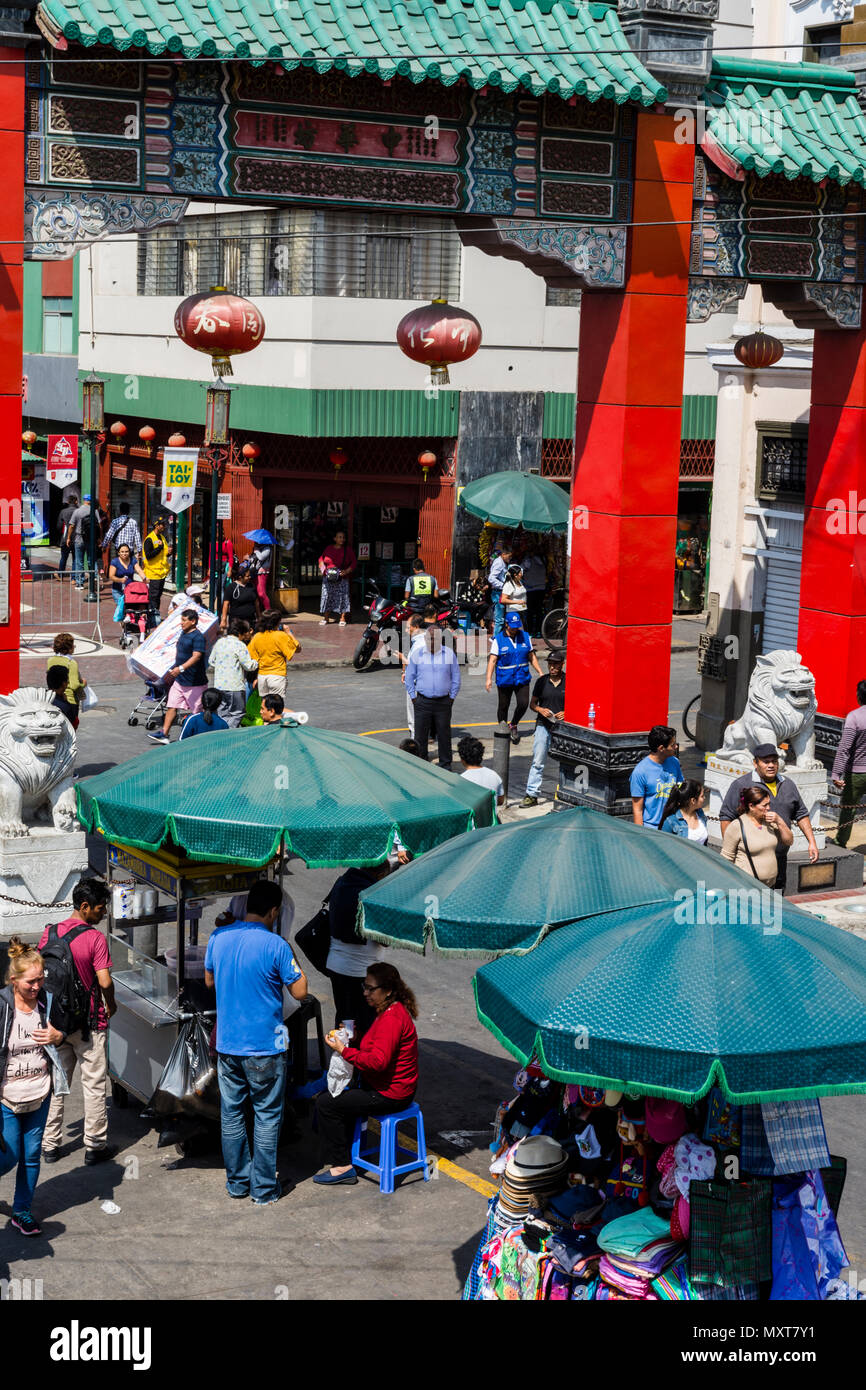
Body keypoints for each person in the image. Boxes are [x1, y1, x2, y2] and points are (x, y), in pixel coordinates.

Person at [204, 880, 307, 1204]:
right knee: (266, 1115)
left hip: (228, 1044)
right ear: (274, 911)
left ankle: (237, 1183)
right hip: (264, 1046)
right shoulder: (276, 945)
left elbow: (208, 980)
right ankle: (263, 1188)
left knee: (232, 1113)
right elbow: (300, 992)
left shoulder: (219, 937)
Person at [314, 961, 418, 1186]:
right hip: (387, 1087)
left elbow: (378, 1062)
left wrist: (343, 1050)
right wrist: (355, 1037)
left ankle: (342, 1166)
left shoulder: (391, 1018)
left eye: (371, 988)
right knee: (340, 1097)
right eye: (365, 986)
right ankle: (355, 1153)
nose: (365, 992)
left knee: (326, 1104)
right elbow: (377, 1046)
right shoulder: (388, 1011)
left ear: (388, 990)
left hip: (390, 1094)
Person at [39, 876, 117, 1167]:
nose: (104, 913)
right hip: (89, 1023)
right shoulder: (95, 939)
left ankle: (49, 1144)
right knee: (94, 1084)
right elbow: (105, 981)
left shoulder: (50, 933)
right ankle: (95, 1146)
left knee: (56, 1083)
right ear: (85, 907)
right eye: (100, 908)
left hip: (55, 1022)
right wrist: (112, 1004)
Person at [0, 938, 69, 1235]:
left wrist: (58, 1037)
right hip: (6, 1099)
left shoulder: (48, 1002)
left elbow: (65, 1029)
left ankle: (22, 1211)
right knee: (10, 1155)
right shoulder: (2, 1008)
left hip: (39, 1094)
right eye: (31, 981)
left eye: (40, 979)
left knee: (30, 1157)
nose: (37, 986)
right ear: (13, 980)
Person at [719, 744, 818, 890]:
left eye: (774, 761)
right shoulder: (741, 785)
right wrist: (732, 850)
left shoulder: (788, 784)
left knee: (775, 904)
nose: (771, 765)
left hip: (779, 860)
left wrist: (812, 842)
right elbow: (726, 817)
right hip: (749, 863)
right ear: (755, 763)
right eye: (766, 762)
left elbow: (801, 814)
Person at [326, 862, 389, 1037]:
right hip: (362, 971)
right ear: (381, 874)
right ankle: (359, 1062)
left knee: (345, 1020)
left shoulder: (342, 883)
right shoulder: (373, 893)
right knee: (365, 1024)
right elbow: (383, 939)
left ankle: (342, 1060)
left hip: (336, 965)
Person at [405, 623, 461, 770]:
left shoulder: (449, 654)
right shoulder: (417, 654)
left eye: (435, 639)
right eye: (430, 638)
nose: (432, 642)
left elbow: (456, 678)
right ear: (425, 638)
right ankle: (421, 765)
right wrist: (413, 697)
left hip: (443, 702)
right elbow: (409, 678)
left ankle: (445, 766)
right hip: (422, 701)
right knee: (420, 737)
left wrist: (451, 698)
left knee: (444, 735)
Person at [148, 609, 207, 744]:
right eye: (181, 620)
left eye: (184, 620)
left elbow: (196, 656)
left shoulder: (198, 637)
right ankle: (164, 733)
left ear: (193, 621)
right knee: (172, 705)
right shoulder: (183, 633)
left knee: (197, 711)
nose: (181, 623)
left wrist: (180, 668)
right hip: (180, 681)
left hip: (195, 683)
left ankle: (200, 738)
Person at [486, 611, 543, 745]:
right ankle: (503, 729)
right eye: (513, 626)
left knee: (523, 704)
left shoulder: (525, 636)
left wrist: (540, 671)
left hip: (522, 677)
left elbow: (531, 656)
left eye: (517, 626)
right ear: (506, 624)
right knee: (503, 706)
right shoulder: (498, 640)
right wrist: (488, 679)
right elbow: (493, 660)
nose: (515, 628)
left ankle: (514, 724)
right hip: (505, 679)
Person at [720, 786, 793, 886]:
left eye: (769, 804)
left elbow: (789, 841)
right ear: (751, 806)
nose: (768, 808)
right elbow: (726, 859)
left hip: (771, 885)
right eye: (764, 805)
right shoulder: (737, 826)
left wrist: (780, 821)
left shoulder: (770, 823)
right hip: (746, 886)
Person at [521, 648, 566, 807]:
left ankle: (563, 793)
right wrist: (541, 710)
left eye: (555, 664)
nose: (552, 667)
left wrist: (566, 712)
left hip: (562, 727)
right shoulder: (542, 682)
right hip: (543, 724)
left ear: (562, 664)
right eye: (550, 664)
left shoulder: (569, 681)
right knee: (538, 760)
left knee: (564, 762)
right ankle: (531, 794)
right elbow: (532, 704)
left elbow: (577, 704)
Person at [831, 680, 866, 848]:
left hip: (856, 774)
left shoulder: (854, 717)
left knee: (849, 809)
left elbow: (844, 748)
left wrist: (836, 774)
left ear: (859, 696)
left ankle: (840, 843)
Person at [630, 726, 683, 828]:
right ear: (661, 748)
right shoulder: (640, 772)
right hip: (652, 828)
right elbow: (637, 809)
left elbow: (681, 789)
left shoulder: (674, 762)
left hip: (674, 826)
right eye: (673, 745)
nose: (676, 747)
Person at [208, 619, 258, 727]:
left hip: (219, 685)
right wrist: (257, 662)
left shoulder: (219, 642)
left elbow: (211, 661)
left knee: (222, 713)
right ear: (241, 633)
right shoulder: (240, 645)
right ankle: (228, 732)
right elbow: (249, 666)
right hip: (235, 686)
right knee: (238, 712)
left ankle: (222, 731)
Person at [247, 611, 301, 701]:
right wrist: (288, 632)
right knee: (276, 707)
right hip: (277, 676)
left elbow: (251, 656)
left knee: (265, 706)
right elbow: (298, 649)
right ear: (278, 622)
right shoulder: (281, 636)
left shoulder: (257, 636)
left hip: (262, 677)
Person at [318, 528, 356, 627]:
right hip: (328, 577)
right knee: (327, 596)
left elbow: (354, 563)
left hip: (342, 577)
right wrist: (323, 570)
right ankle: (326, 618)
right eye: (339, 537)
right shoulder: (328, 548)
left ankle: (342, 618)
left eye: (343, 538)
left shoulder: (348, 550)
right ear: (334, 538)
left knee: (343, 597)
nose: (342, 539)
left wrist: (346, 571)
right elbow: (321, 559)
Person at [458, 735, 504, 807]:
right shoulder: (494, 776)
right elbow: (500, 801)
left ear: (462, 759)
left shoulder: (461, 780)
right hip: (490, 818)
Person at [399, 612, 425, 737]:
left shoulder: (419, 644)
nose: (406, 629)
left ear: (416, 627)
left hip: (416, 686)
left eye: (408, 627)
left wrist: (404, 662)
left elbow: (416, 666)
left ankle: (415, 743)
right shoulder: (424, 641)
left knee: (414, 720)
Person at [47, 632, 86, 714]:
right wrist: (83, 684)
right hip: (70, 700)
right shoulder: (71, 663)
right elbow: (74, 685)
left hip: (54, 698)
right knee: (72, 724)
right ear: (70, 648)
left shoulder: (50, 660)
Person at [68, 494, 100, 589]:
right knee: (91, 560)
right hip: (91, 539)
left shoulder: (77, 511)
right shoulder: (95, 511)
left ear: (84, 500)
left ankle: (80, 583)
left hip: (79, 538)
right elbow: (99, 526)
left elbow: (72, 525)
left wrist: (69, 537)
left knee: (79, 561)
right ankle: (94, 578)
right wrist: (99, 538)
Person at [108, 542, 145, 625]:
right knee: (123, 609)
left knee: (129, 609)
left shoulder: (132, 560)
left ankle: (129, 628)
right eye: (122, 552)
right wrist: (120, 580)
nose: (124, 553)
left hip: (130, 590)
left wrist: (144, 578)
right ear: (118, 553)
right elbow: (111, 576)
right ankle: (124, 631)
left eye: (126, 551)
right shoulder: (115, 562)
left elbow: (139, 570)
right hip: (118, 590)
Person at [141, 513, 171, 614]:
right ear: (156, 525)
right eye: (162, 524)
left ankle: (155, 614)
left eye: (164, 524)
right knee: (153, 597)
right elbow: (148, 556)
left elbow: (163, 554)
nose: (164, 526)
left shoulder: (162, 537)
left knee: (158, 596)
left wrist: (169, 553)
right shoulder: (149, 539)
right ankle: (152, 615)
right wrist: (159, 548)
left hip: (161, 573)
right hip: (153, 574)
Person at [101, 505, 142, 570]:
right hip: (129, 551)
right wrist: (139, 550)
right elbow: (137, 537)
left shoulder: (115, 521)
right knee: (129, 569)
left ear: (120, 511)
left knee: (119, 569)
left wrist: (104, 545)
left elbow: (109, 535)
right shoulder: (133, 522)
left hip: (120, 551)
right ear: (128, 511)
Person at [221, 566, 260, 631]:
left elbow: (256, 603)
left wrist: (259, 617)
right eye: (247, 576)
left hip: (250, 621)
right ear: (240, 577)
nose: (249, 577)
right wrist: (224, 619)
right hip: (236, 622)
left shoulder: (251, 586)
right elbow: (226, 604)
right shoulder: (231, 587)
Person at [487, 544, 513, 636]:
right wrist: (503, 586)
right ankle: (496, 640)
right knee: (499, 619)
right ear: (503, 554)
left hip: (501, 593)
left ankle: (500, 638)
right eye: (509, 556)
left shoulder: (502, 562)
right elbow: (491, 578)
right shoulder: (499, 563)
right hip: (498, 594)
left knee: (502, 618)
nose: (509, 559)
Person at [521, 551, 547, 637]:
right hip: (541, 588)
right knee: (539, 611)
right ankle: (539, 631)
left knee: (530, 612)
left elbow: (521, 570)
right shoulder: (543, 559)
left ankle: (530, 632)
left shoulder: (528, 560)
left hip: (531, 588)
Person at [55, 494, 78, 577]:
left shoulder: (63, 512)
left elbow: (59, 526)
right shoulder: (78, 511)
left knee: (63, 557)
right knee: (75, 559)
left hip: (65, 538)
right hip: (77, 538)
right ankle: (74, 578)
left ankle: (60, 575)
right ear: (76, 502)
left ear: (68, 502)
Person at [251, 542, 273, 613]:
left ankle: (268, 611)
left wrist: (256, 550)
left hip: (262, 572)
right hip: (255, 572)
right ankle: (259, 611)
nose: (255, 542)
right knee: (257, 593)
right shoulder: (259, 548)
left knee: (261, 593)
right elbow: (254, 559)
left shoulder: (267, 548)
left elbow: (261, 557)